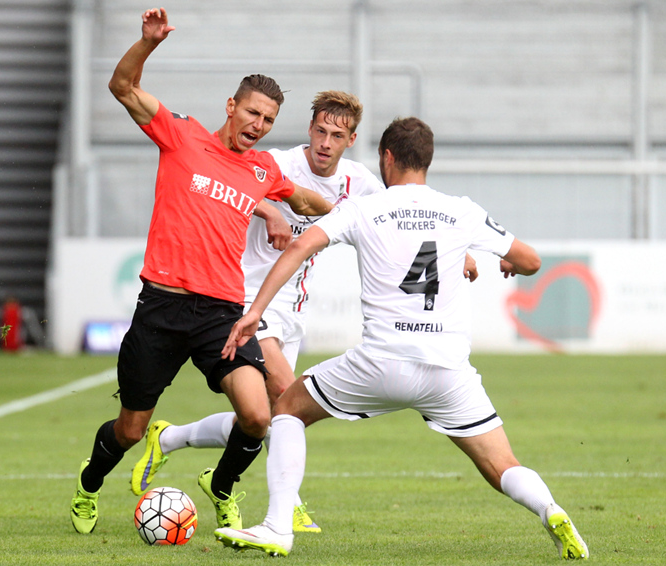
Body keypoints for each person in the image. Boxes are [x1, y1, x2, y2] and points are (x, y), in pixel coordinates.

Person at [213, 117, 589, 560]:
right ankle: (550, 510)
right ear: (427, 161)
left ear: (386, 158)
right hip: (448, 372)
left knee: (289, 409)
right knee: (503, 465)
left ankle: (278, 526)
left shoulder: (362, 208)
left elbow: (299, 247)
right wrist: (510, 265)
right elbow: (530, 261)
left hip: (381, 363)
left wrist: (255, 312)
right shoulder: (460, 209)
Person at [128, 92, 481, 534]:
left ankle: (172, 439)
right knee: (286, 397)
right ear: (309, 129)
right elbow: (232, 179)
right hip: (248, 296)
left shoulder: (361, 183)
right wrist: (270, 207)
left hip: (294, 308)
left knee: (270, 416)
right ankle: (285, 505)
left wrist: (460, 252)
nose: (325, 142)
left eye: (336, 135)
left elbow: (409, 212)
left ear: (351, 139)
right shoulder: (277, 163)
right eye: (319, 131)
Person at [69, 7, 333, 536]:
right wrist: (147, 44)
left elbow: (307, 197)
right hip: (161, 309)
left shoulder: (263, 169)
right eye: (251, 113)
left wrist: (357, 216)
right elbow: (122, 85)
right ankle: (89, 483)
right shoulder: (181, 136)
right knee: (129, 428)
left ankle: (222, 487)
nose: (257, 126)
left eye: (267, 121)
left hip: (221, 314)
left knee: (260, 415)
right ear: (231, 106)